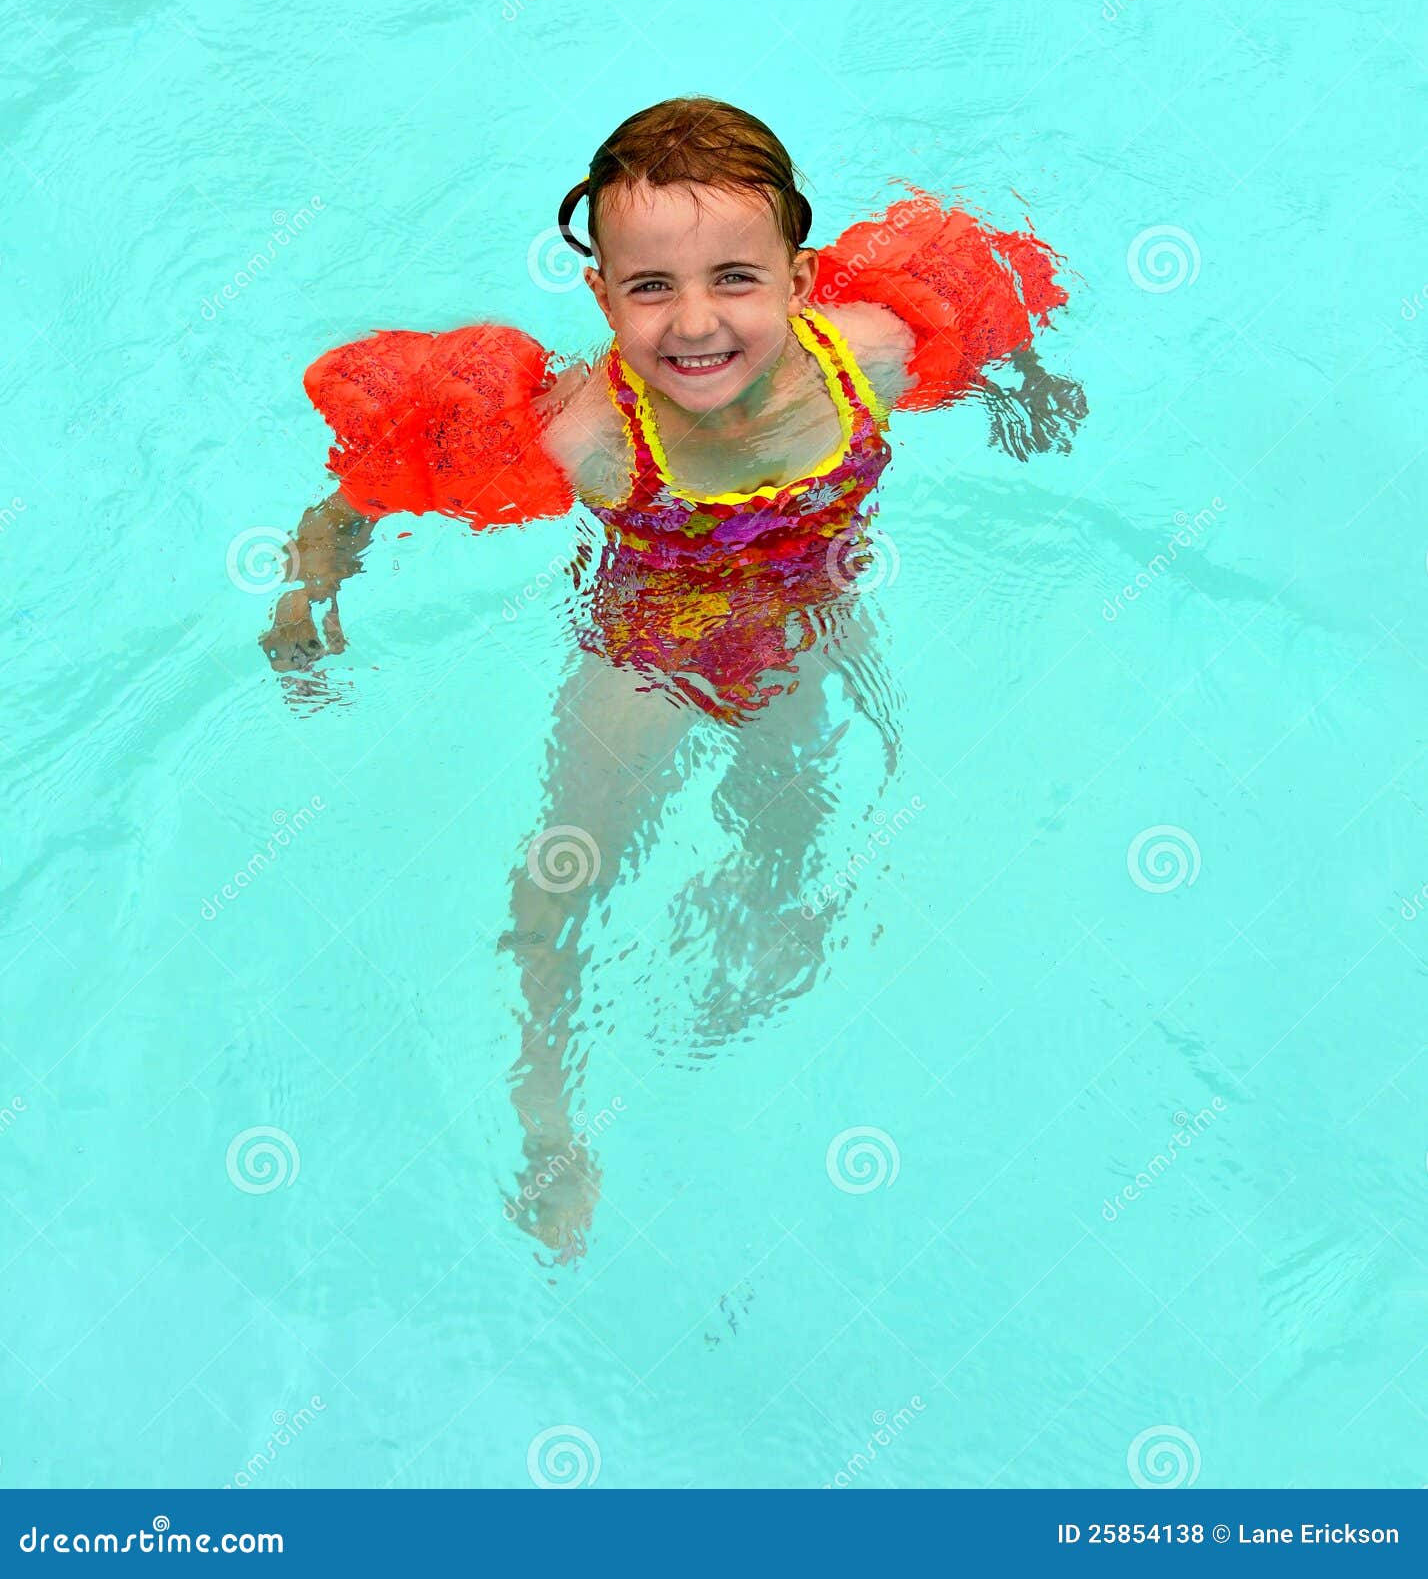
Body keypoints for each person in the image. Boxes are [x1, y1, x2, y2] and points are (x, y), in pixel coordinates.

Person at [260, 96, 1082, 1258]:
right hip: (642, 659)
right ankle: (547, 1101)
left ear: (800, 278)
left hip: (803, 629)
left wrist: (1025, 387)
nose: (695, 323)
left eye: (734, 278)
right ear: (601, 299)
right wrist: (307, 590)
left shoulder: (873, 359)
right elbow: (377, 483)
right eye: (650, 288)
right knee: (566, 866)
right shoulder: (589, 435)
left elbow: (982, 318)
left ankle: (764, 918)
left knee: (793, 815)